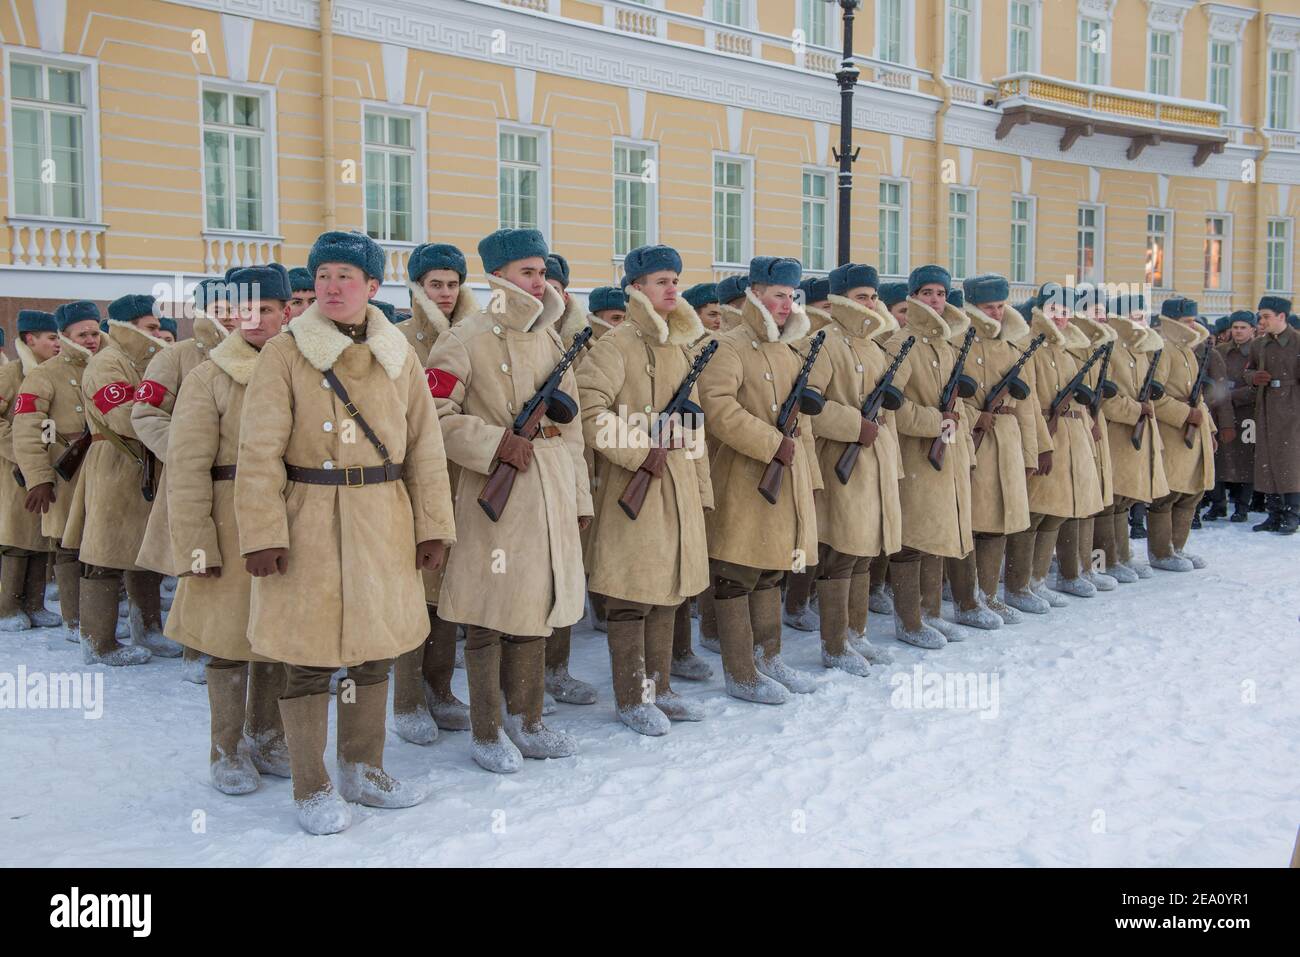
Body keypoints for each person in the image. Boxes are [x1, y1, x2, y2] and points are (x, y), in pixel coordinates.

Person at [234, 230, 456, 833]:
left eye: (346, 276)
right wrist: (262, 533)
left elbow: (425, 446)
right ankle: (311, 785)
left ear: (372, 286)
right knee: (307, 657)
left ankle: (363, 768)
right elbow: (258, 452)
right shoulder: (285, 353)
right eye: (323, 275)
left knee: (376, 651)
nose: (332, 287)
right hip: (309, 515)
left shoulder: (398, 352)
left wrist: (433, 525)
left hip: (384, 516)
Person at [426, 227, 592, 772]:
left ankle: (528, 720)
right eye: (528, 272)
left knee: (535, 612)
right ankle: (487, 730)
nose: (539, 281)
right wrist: (495, 442)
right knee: (488, 616)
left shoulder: (551, 341)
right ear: (497, 276)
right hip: (493, 495)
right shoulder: (463, 339)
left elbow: (572, 429)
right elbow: (432, 418)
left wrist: (579, 498)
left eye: (542, 272)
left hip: (549, 489)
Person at [165, 265, 294, 794]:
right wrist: (196, 544)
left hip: (288, 518)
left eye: (267, 309)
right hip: (227, 521)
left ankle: (267, 735)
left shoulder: (304, 369)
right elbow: (186, 470)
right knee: (226, 639)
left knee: (277, 635)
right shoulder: (208, 377)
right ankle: (226, 747)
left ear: (287, 312)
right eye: (246, 309)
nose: (256, 319)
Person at [575, 244, 712, 734]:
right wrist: (640, 450)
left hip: (676, 485)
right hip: (632, 485)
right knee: (632, 599)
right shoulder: (616, 346)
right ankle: (633, 699)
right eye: (660, 281)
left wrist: (701, 491)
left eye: (674, 280)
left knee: (668, 594)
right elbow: (589, 412)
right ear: (635, 288)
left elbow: (695, 424)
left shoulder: (681, 346)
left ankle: (661, 690)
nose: (671, 289)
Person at [697, 255, 821, 702]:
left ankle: (769, 658)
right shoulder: (727, 346)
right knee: (736, 574)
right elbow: (717, 408)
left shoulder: (788, 349)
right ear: (754, 294)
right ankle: (741, 673)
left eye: (791, 296)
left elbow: (802, 423)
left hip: (785, 476)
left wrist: (807, 473)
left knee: (772, 571)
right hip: (742, 477)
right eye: (777, 295)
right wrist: (770, 443)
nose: (786, 304)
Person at [389, 241, 478, 741]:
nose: (445, 293)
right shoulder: (396, 340)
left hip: (461, 476)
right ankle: (406, 699)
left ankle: (439, 690)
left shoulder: (474, 336)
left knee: (447, 589)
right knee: (414, 590)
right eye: (435, 284)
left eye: (452, 284)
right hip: (410, 477)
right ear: (417, 287)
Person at [62, 294, 181, 664]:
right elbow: (124, 416)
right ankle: (98, 641)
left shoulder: (143, 361)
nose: (157, 333)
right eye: (150, 327)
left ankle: (147, 628)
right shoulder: (107, 362)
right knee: (104, 554)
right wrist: (173, 417)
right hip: (115, 466)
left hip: (142, 465)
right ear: (128, 326)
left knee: (142, 552)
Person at [132, 282, 235, 682]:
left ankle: (235, 652)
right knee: (196, 568)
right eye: (220, 308)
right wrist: (187, 453)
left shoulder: (265, 353)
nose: (228, 316)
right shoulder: (175, 356)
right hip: (192, 482)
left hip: (243, 483)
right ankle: (196, 652)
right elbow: (146, 414)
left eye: (236, 307)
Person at [807, 262, 903, 672]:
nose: (870, 303)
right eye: (861, 296)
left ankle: (856, 634)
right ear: (841, 299)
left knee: (866, 554)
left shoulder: (874, 346)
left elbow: (886, 414)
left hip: (875, 461)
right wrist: (853, 425)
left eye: (873, 296)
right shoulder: (824, 342)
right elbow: (809, 404)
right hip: (841, 463)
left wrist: (893, 462)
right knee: (842, 554)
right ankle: (834, 645)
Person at [884, 266, 975, 646]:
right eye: (927, 292)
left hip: (946, 456)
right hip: (915, 456)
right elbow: (891, 405)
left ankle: (932, 613)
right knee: (912, 541)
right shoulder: (902, 343)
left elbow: (958, 407)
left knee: (939, 534)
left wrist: (960, 443)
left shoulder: (947, 344)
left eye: (941, 293)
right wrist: (936, 423)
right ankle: (909, 621)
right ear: (913, 297)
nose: (935, 300)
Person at [1003, 284, 1102, 612]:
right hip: (1048, 435)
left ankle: (1039, 580)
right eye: (1054, 310)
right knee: (1034, 514)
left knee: (1056, 514)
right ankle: (1018, 585)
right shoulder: (1030, 347)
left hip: (1072, 436)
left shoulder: (1065, 348)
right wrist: (1041, 447)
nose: (1061, 318)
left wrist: (1088, 427)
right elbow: (1028, 404)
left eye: (1065, 312)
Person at [951, 274, 1042, 627]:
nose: (996, 313)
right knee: (971, 525)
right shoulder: (959, 343)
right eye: (989, 307)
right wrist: (977, 417)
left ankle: (989, 596)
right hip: (974, 441)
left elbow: (1028, 409)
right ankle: (967, 602)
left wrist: (1031, 454)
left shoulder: (1013, 348)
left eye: (1001, 306)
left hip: (1008, 441)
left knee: (999, 525)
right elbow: (948, 398)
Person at [13, 302, 104, 643]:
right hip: (66, 471)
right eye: (83, 334)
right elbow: (27, 430)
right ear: (64, 336)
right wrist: (39, 478)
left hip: (102, 467)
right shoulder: (43, 374)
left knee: (99, 544)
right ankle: (75, 621)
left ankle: (98, 620)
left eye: (95, 332)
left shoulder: (106, 365)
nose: (91, 339)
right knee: (67, 545)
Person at [1095, 293, 1166, 582]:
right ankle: (1105, 560)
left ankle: (1121, 556)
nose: (1142, 321)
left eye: (1143, 316)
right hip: (1115, 433)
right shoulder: (1109, 349)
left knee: (1123, 500)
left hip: (1134, 436)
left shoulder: (1138, 350)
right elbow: (1104, 398)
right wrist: (1136, 410)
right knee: (1109, 501)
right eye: (1136, 316)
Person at [0, 310, 61, 632]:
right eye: (51, 337)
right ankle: (7, 607)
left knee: (41, 538)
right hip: (14, 471)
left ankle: (35, 604)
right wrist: (22, 452)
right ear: (30, 339)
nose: (57, 343)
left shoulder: (52, 373)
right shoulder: (10, 374)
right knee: (16, 540)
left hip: (45, 468)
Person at [1147, 298, 1216, 569]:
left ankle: (1177, 548)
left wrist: (1209, 428)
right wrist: (1185, 414)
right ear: (1173, 321)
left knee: (1191, 493)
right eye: (1188, 321)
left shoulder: (1187, 350)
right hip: (1173, 432)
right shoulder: (1164, 349)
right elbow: (1154, 396)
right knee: (1168, 495)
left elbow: (1198, 397)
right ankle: (1161, 552)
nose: (1193, 326)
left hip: (1193, 430)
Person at [1246, 296, 1299, 533]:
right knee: (1266, 460)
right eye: (1260, 316)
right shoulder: (1259, 344)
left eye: (1266, 316)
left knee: (1290, 461)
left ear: (1282, 316)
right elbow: (1247, 371)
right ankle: (1274, 513)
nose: (1262, 321)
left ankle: (1293, 514)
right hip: (1266, 406)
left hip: (1293, 407)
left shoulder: (1297, 342)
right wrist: (1254, 378)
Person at [1207, 310, 1259, 522]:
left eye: (1243, 327)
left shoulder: (1258, 352)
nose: (1238, 331)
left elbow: (1259, 387)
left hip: (1247, 413)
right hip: (1220, 412)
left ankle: (1242, 507)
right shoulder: (1219, 351)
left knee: (1247, 461)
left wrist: (1232, 395)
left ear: (1252, 329)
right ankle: (1218, 504)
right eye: (1235, 327)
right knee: (1218, 458)